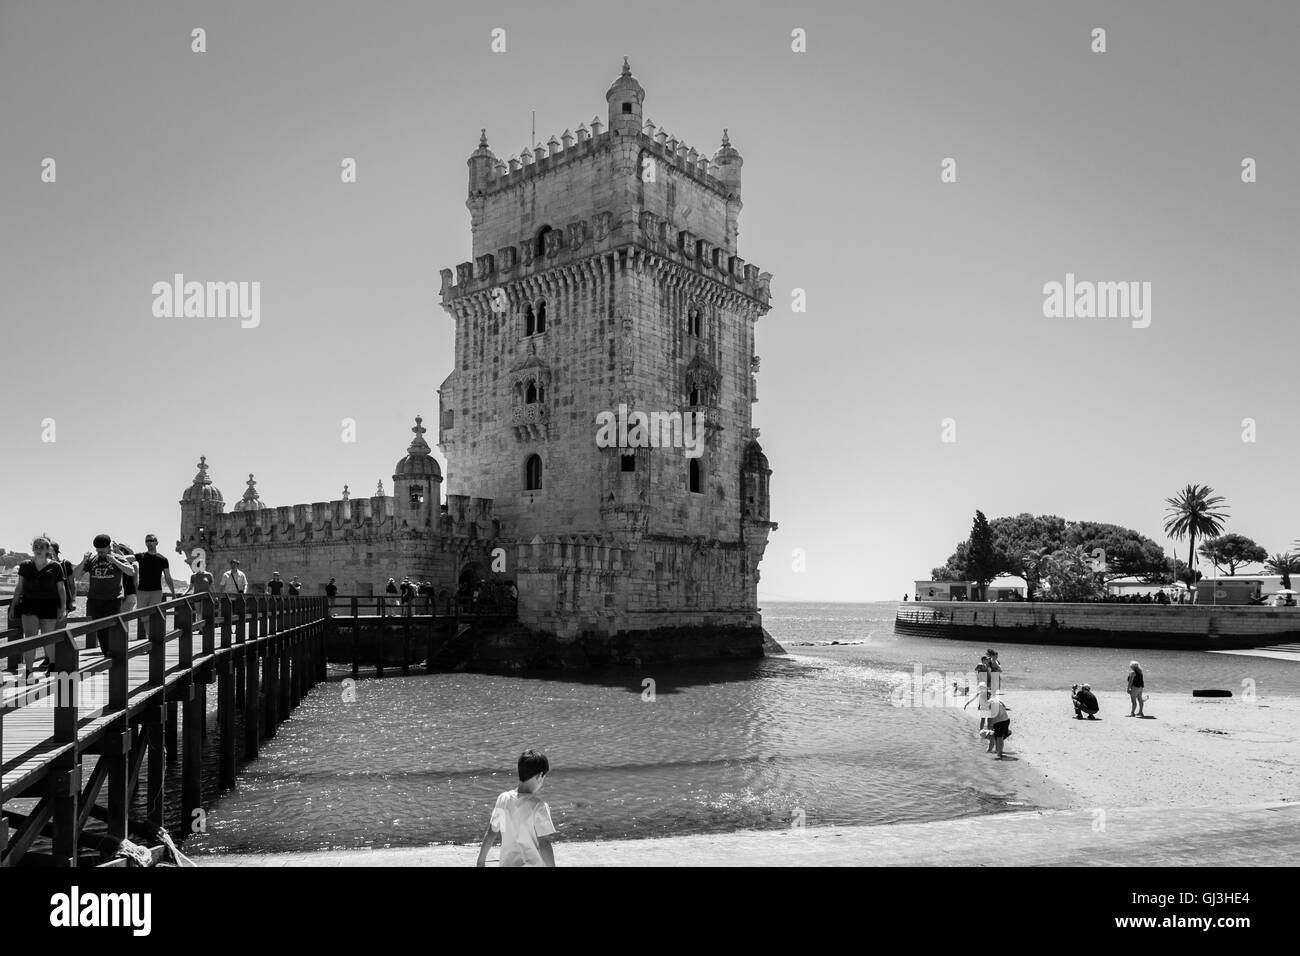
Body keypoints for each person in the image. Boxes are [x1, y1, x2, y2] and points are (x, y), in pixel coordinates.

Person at [476, 749, 557, 868]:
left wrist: (480, 861)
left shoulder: (503, 799)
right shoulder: (539, 806)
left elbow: (492, 832)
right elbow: (544, 843)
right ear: (540, 775)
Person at [7, 536, 67, 674]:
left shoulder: (55, 566)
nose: (38, 549)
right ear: (32, 548)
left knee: (48, 638)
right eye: (36, 546)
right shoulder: (25, 565)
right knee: (30, 638)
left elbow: (61, 589)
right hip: (29, 604)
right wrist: (14, 605)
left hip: (49, 605)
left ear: (48, 550)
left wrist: (63, 609)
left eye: (41, 547)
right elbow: (19, 586)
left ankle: (52, 663)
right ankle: (28, 671)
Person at [74, 534, 135, 655]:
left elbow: (131, 571)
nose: (100, 553)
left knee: (111, 627)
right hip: (94, 600)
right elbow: (76, 575)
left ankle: (112, 652)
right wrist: (84, 560)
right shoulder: (92, 559)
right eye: (98, 551)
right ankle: (106, 652)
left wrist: (115, 561)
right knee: (99, 628)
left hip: (113, 599)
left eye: (102, 551)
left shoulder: (117, 557)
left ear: (108, 547)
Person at [134, 534, 176, 608]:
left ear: (156, 543)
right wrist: (115, 555)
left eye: (151, 540)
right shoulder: (140, 556)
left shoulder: (163, 559)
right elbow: (126, 558)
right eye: (147, 541)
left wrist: (173, 593)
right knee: (143, 617)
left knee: (154, 616)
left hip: (156, 592)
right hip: (142, 592)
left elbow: (168, 577)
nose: (149, 543)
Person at [50, 541, 76, 620]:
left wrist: (73, 601)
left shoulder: (65, 564)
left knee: (59, 629)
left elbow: (72, 584)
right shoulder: (43, 566)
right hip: (47, 602)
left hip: (62, 603)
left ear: (54, 551)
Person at [115, 543, 140, 613]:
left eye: (121, 549)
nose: (119, 551)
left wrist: (139, 598)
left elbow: (136, 582)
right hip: (118, 596)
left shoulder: (133, 565)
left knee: (123, 620)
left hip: (129, 595)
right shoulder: (114, 564)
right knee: (120, 620)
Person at [987, 694, 1011, 758]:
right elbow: (1004, 706)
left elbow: (990, 716)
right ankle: (998, 751)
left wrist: (990, 727)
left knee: (998, 737)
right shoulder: (996, 699)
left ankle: (999, 754)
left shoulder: (989, 703)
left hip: (1000, 721)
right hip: (1006, 719)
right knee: (999, 737)